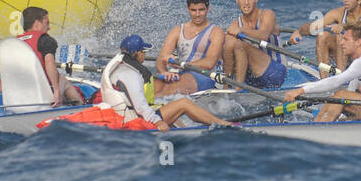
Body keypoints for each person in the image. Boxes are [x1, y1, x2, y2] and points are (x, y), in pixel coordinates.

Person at [40, 35, 231, 131]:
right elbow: (140, 107)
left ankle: (189, 130)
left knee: (176, 113)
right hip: (130, 119)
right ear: (137, 53)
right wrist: (158, 122)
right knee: (184, 103)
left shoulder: (118, 63)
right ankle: (224, 125)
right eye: (143, 52)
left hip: (122, 111)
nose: (145, 55)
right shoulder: (130, 74)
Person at [282, 25, 361, 123]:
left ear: (358, 42)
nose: (341, 43)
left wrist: (301, 91)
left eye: (346, 39)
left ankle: (317, 130)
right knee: (338, 98)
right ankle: (320, 125)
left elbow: (335, 81)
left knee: (339, 95)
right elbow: (350, 92)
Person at [0, 5, 84, 106]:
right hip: (43, 98)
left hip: (19, 100)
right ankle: (80, 107)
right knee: (62, 79)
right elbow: (49, 63)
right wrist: (57, 91)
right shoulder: (46, 40)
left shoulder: (14, 44)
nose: (49, 27)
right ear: (37, 23)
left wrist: (10, 94)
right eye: (47, 23)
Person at [286, 0, 361, 69]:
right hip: (349, 60)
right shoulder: (338, 13)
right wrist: (299, 31)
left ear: (360, 0)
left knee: (341, 35)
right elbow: (313, 26)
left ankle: (340, 77)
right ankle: (325, 81)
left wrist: (343, 26)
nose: (345, 0)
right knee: (323, 36)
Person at [154, 0, 225, 98]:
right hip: (182, 72)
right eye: (193, 10)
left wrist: (181, 64)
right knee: (154, 86)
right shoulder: (177, 30)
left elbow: (210, 63)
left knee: (171, 89)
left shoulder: (216, 32)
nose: (197, 14)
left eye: (201, 10)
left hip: (204, 76)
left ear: (208, 8)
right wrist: (164, 72)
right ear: (188, 9)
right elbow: (161, 58)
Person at [222, 0, 287, 89]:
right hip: (252, 78)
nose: (246, 3)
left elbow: (263, 35)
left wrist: (241, 30)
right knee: (228, 43)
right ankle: (227, 86)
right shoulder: (235, 24)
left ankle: (238, 89)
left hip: (274, 73)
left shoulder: (267, 14)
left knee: (240, 44)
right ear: (237, 0)